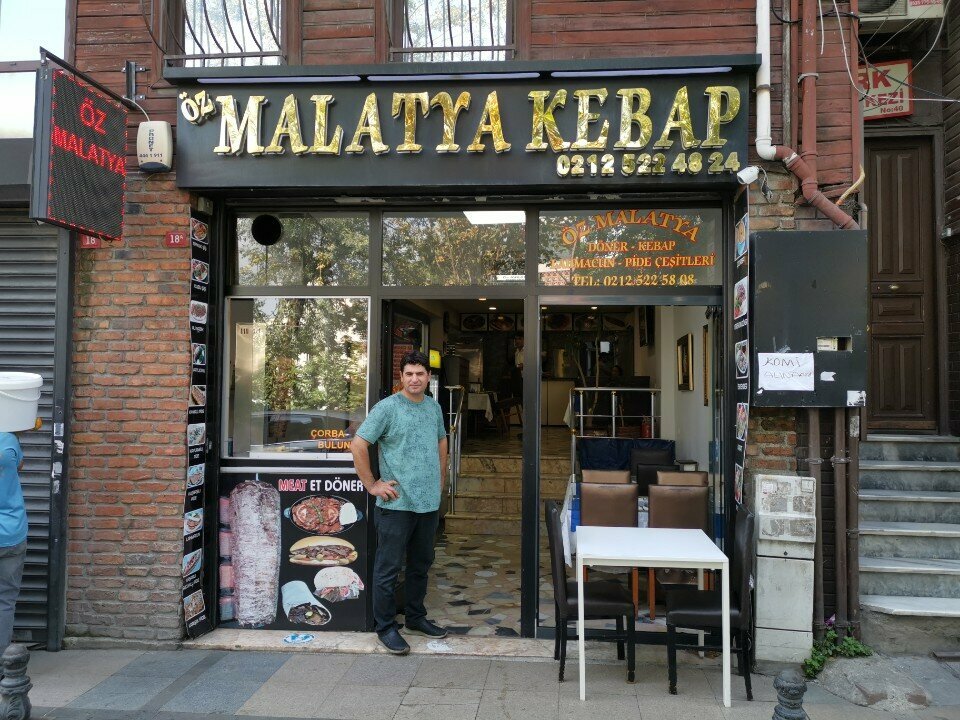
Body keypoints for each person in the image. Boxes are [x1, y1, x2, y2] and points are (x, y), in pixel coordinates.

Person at [351, 350, 448, 655]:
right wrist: (372, 484)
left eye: (420, 373)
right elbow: (358, 444)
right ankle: (385, 627)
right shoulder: (387, 408)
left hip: (427, 504)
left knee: (421, 565)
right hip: (396, 504)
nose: (414, 379)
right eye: (409, 374)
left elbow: (441, 441)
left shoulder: (433, 407)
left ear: (428, 376)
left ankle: (416, 618)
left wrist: (440, 480)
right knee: (389, 568)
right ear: (401, 377)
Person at [0, 429, 28, 655]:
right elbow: (20, 466)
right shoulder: (9, 440)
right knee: (6, 599)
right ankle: (2, 660)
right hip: (11, 531)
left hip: (11, 533)